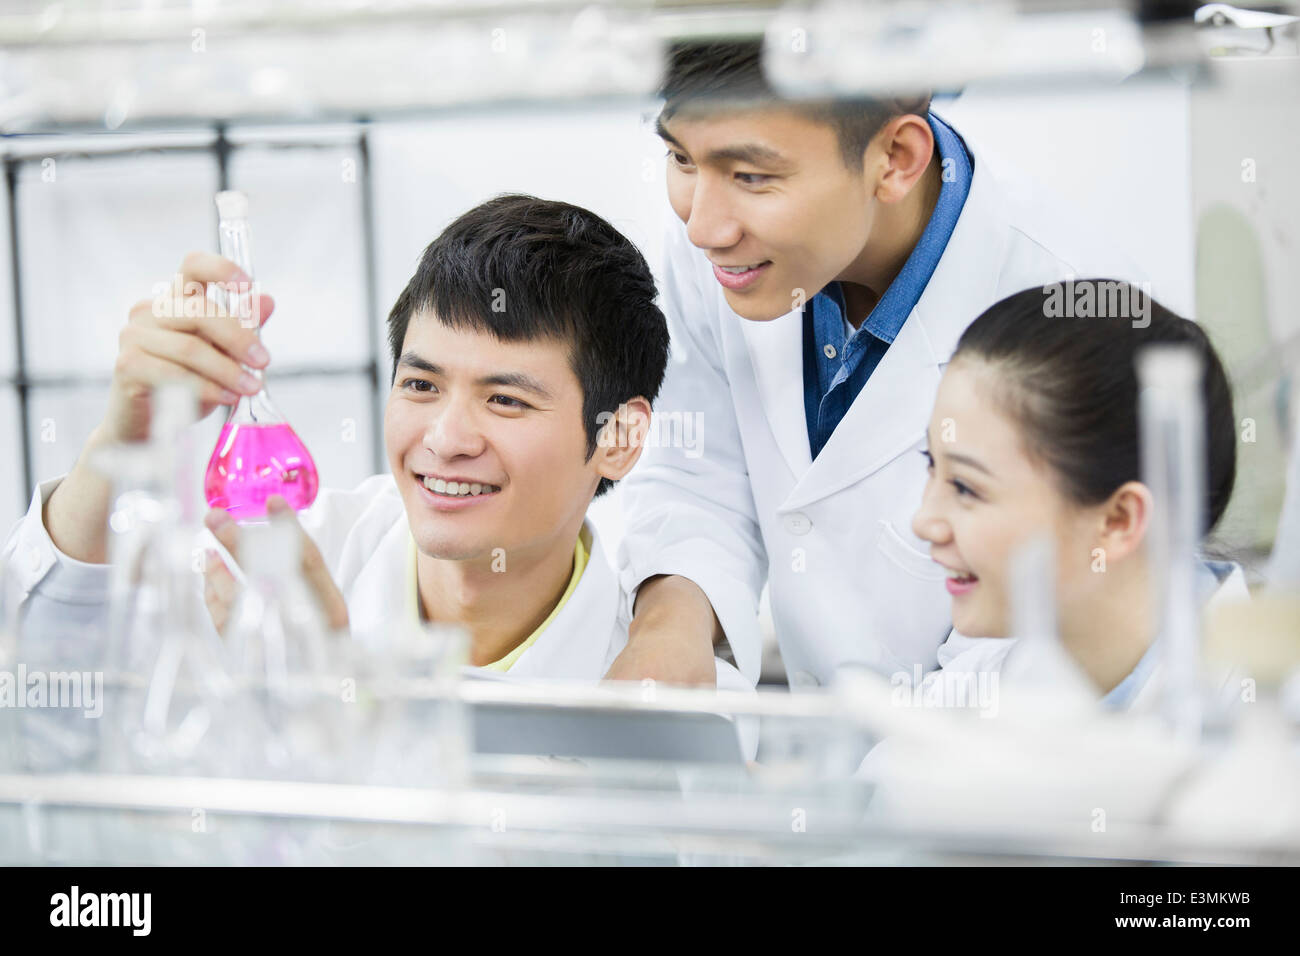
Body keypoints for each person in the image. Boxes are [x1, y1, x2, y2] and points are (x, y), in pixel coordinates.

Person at [5, 194, 750, 692]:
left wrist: (339, 726)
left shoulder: (664, 681)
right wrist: (120, 436)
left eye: (506, 399)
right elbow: (44, 682)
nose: (447, 439)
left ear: (618, 437)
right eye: (421, 386)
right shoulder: (277, 560)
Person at [609, 39, 1150, 689]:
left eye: (752, 176)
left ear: (895, 159)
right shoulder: (726, 241)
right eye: (680, 158)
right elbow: (700, 473)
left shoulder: (1070, 303)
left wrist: (855, 778)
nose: (703, 227)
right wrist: (670, 627)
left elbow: (1038, 650)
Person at [910, 280, 1245, 709]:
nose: (923, 521)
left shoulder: (1264, 724)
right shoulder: (965, 695)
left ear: (1118, 520)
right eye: (930, 465)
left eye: (965, 486)